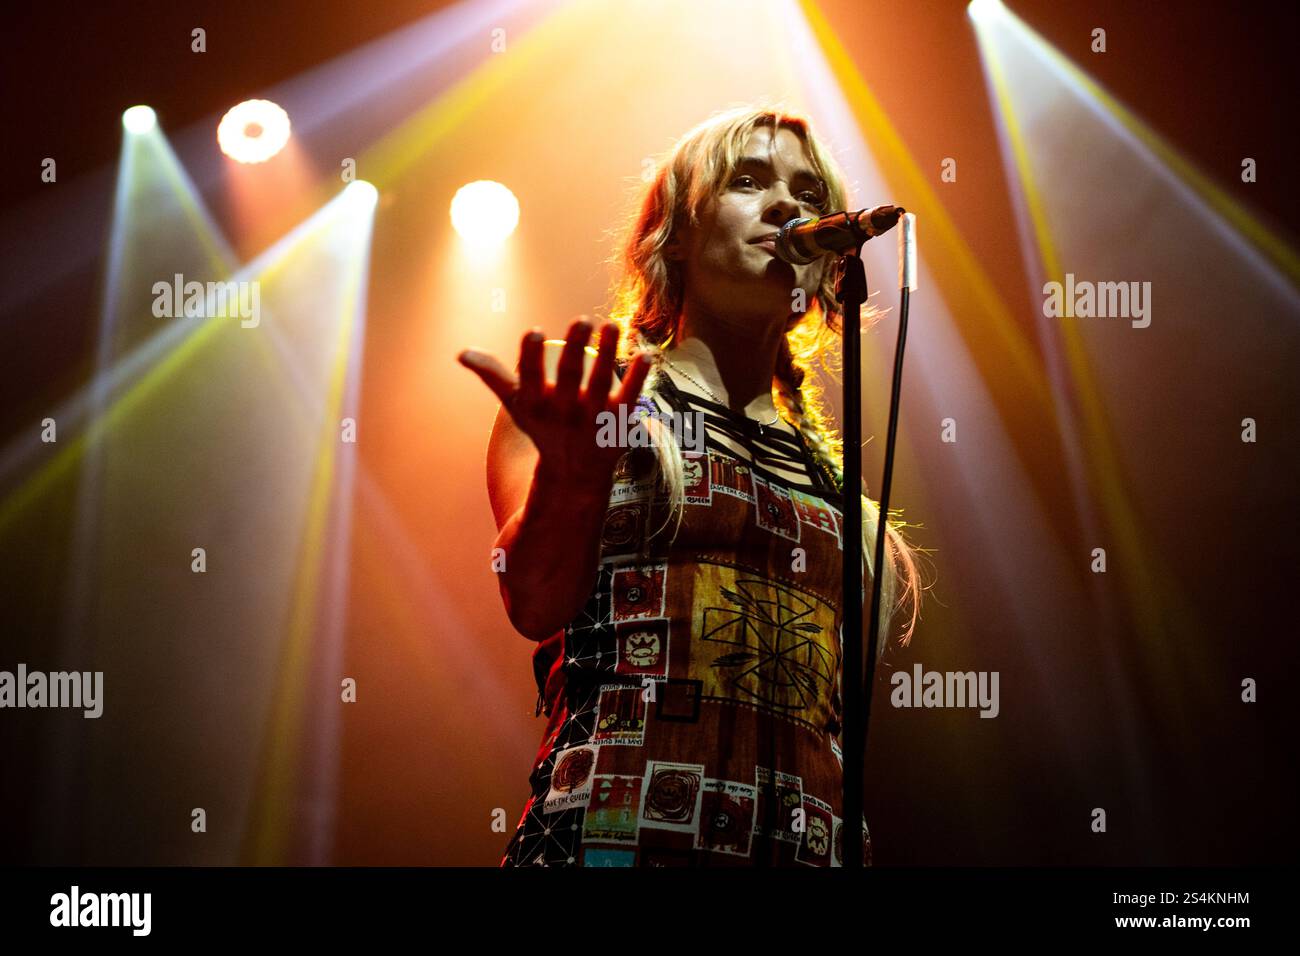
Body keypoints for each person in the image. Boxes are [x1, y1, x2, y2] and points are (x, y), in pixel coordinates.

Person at [457, 105, 926, 867]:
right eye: (748, 180)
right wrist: (573, 485)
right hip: (614, 840)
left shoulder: (838, 492)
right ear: (676, 230)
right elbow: (534, 600)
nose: (788, 207)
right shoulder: (593, 401)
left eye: (810, 193)